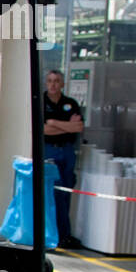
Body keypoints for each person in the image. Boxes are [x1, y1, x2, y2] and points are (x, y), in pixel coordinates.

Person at [43, 69, 84, 248]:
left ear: (63, 84)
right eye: (50, 81)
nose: (53, 84)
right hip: (48, 151)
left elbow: (78, 128)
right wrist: (66, 126)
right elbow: (43, 130)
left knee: (65, 191)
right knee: (49, 194)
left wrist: (53, 123)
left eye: (57, 81)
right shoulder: (41, 102)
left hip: (66, 152)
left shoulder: (70, 103)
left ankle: (63, 235)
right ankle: (48, 234)